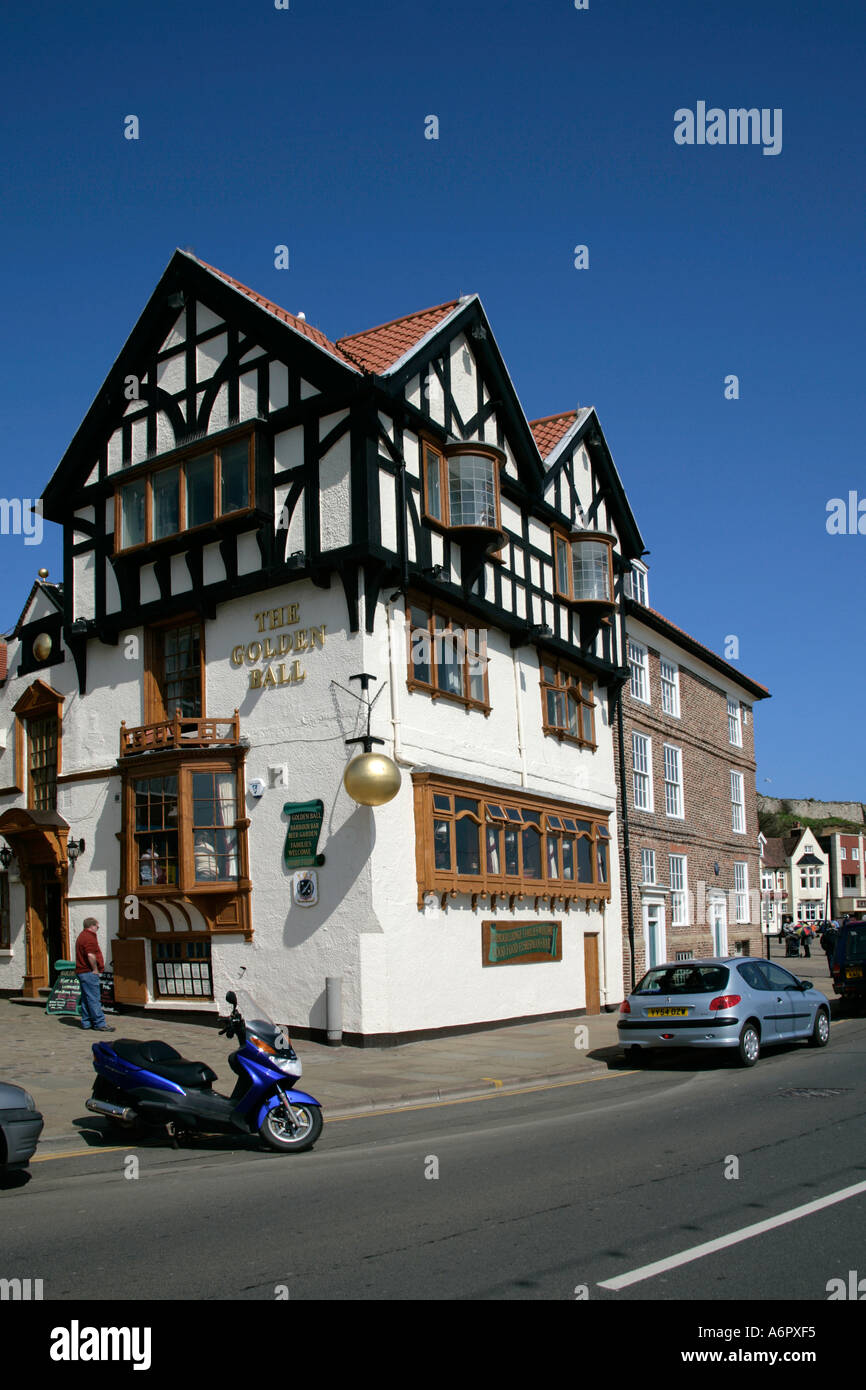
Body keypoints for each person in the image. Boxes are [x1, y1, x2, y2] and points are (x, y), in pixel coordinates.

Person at [75, 917, 114, 1032]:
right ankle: (99, 1023)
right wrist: (95, 969)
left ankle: (86, 1022)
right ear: (92, 926)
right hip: (88, 972)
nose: (98, 928)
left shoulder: (82, 936)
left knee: (86, 998)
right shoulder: (89, 937)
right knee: (93, 998)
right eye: (97, 927)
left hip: (82, 972)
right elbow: (90, 955)